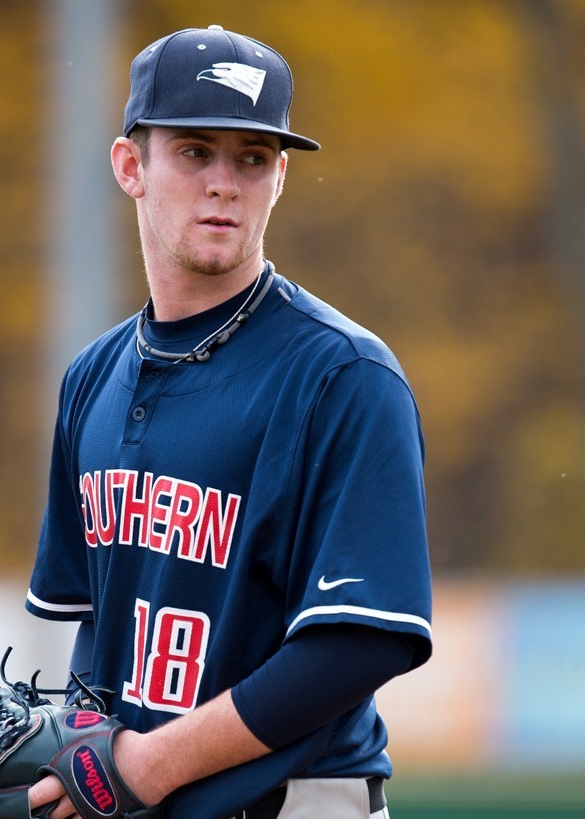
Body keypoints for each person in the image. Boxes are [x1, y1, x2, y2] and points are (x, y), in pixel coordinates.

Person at [25, 24, 432, 819]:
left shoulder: (342, 376)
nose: (224, 182)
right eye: (194, 150)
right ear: (130, 166)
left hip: (297, 803)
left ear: (280, 179)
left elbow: (363, 641)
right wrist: (62, 760)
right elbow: (96, 629)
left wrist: (151, 763)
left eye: (252, 158)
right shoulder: (90, 380)